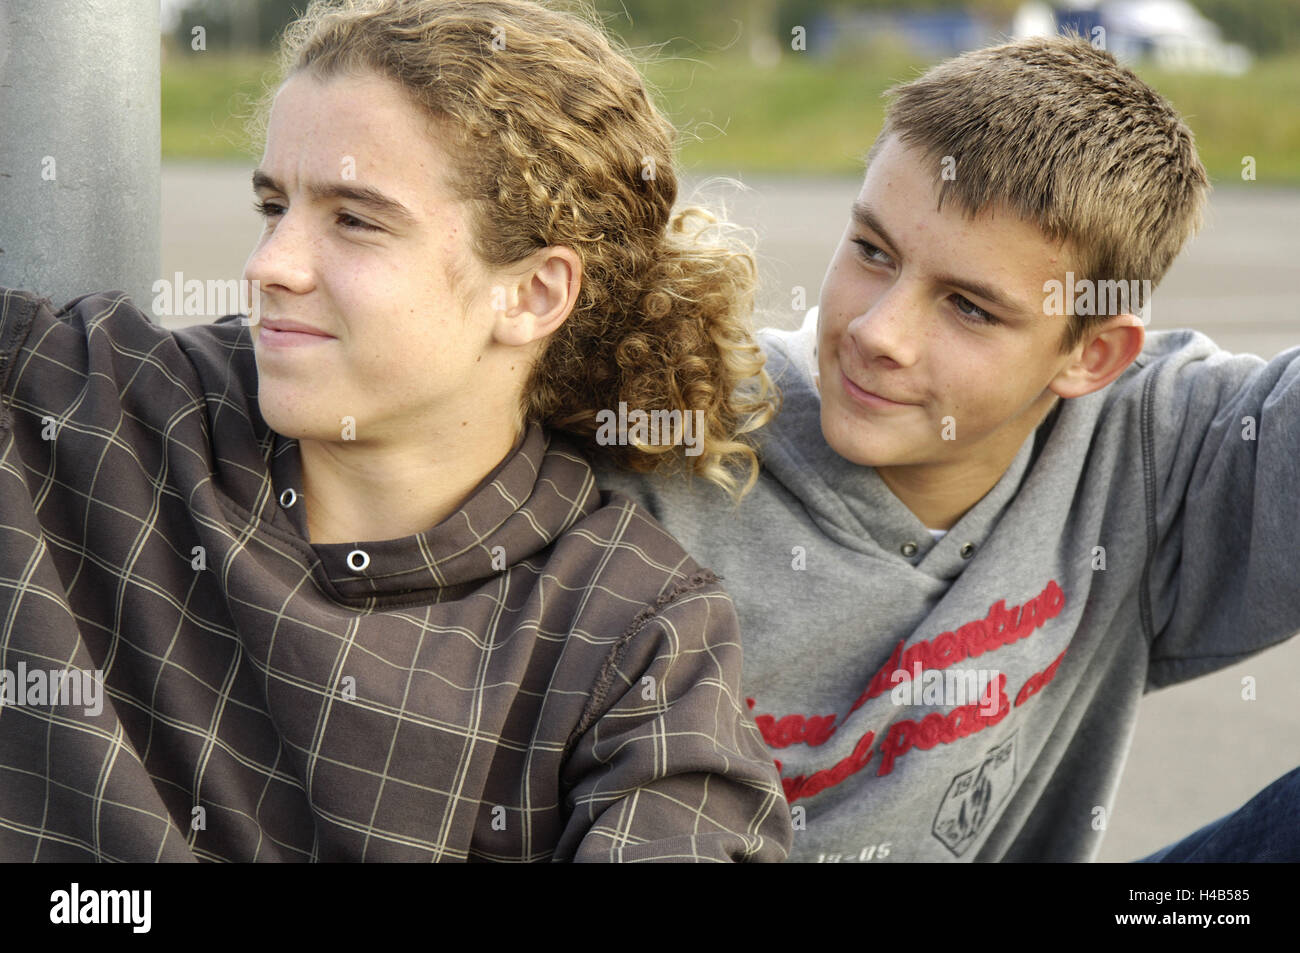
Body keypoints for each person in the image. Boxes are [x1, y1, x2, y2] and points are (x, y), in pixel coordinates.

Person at [0, 0, 791, 862]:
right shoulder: (88, 401)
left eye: (355, 218)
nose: (270, 264)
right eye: (275, 205)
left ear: (532, 294)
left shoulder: (629, 634)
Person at [597, 34, 1300, 862]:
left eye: (969, 307)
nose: (876, 331)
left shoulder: (1156, 450)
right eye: (872, 251)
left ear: (1092, 354)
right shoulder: (667, 446)